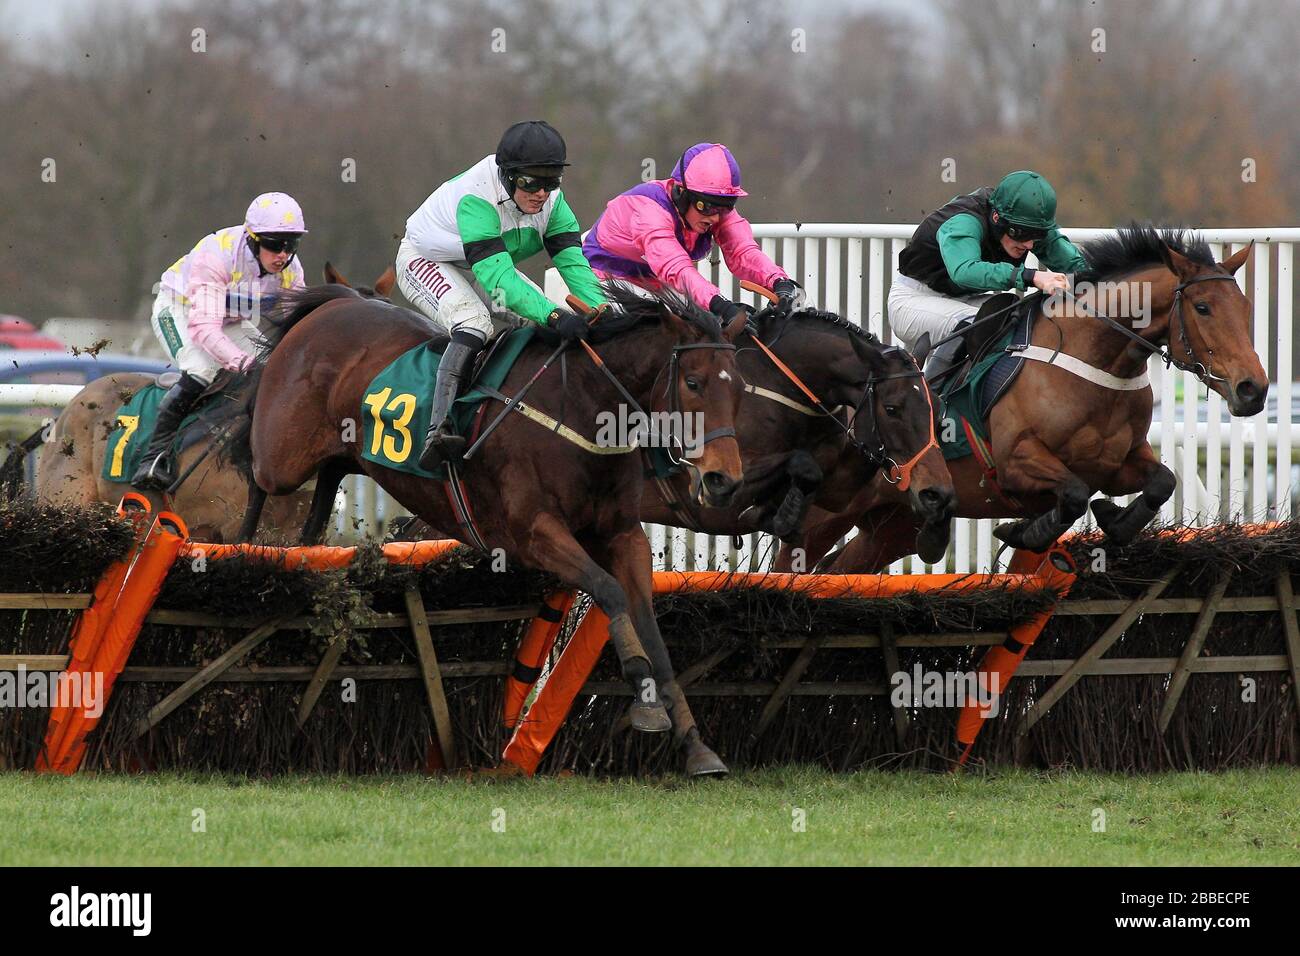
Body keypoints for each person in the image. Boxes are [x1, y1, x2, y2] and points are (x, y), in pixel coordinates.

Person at [397, 120, 604, 470]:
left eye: (551, 182)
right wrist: (556, 317)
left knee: (542, 317)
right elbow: (500, 281)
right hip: (425, 258)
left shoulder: (555, 204)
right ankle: (439, 428)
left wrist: (602, 313)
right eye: (530, 182)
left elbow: (576, 267)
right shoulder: (477, 198)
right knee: (475, 323)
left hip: (483, 262)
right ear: (507, 176)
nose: (541, 193)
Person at [132, 192, 308, 489]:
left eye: (291, 245)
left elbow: (297, 323)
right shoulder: (217, 255)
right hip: (181, 309)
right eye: (275, 244)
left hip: (229, 318)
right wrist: (242, 362)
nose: (283, 254)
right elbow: (203, 329)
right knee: (202, 369)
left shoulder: (290, 269)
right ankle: (154, 457)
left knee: (273, 368)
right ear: (253, 239)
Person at [889, 170, 1089, 378]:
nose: (1029, 244)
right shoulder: (964, 221)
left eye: (1037, 235)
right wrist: (1031, 276)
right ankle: (932, 401)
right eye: (1021, 233)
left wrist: (1104, 277)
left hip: (964, 299)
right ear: (997, 218)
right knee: (977, 325)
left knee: (1020, 322)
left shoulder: (1023, 221)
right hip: (913, 300)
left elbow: (1076, 264)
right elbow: (965, 271)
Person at [583, 142, 805, 325]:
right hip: (603, 279)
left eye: (725, 207)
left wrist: (779, 281)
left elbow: (742, 251)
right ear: (682, 194)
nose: (716, 217)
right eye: (706, 207)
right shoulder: (649, 211)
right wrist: (720, 304)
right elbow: (676, 268)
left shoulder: (711, 207)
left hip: (653, 284)